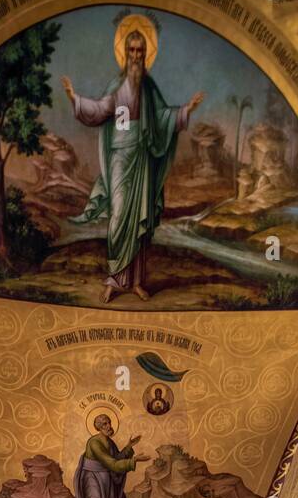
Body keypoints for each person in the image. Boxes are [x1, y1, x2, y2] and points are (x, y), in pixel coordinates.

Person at [62, 27, 203, 302]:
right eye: (132, 51)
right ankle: (115, 280)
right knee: (117, 218)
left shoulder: (149, 88)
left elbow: (163, 117)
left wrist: (187, 110)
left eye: (140, 51)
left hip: (143, 157)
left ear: (145, 54)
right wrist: (74, 98)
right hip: (120, 156)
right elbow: (100, 110)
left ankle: (136, 282)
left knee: (141, 218)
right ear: (125, 54)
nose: (136, 56)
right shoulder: (116, 87)